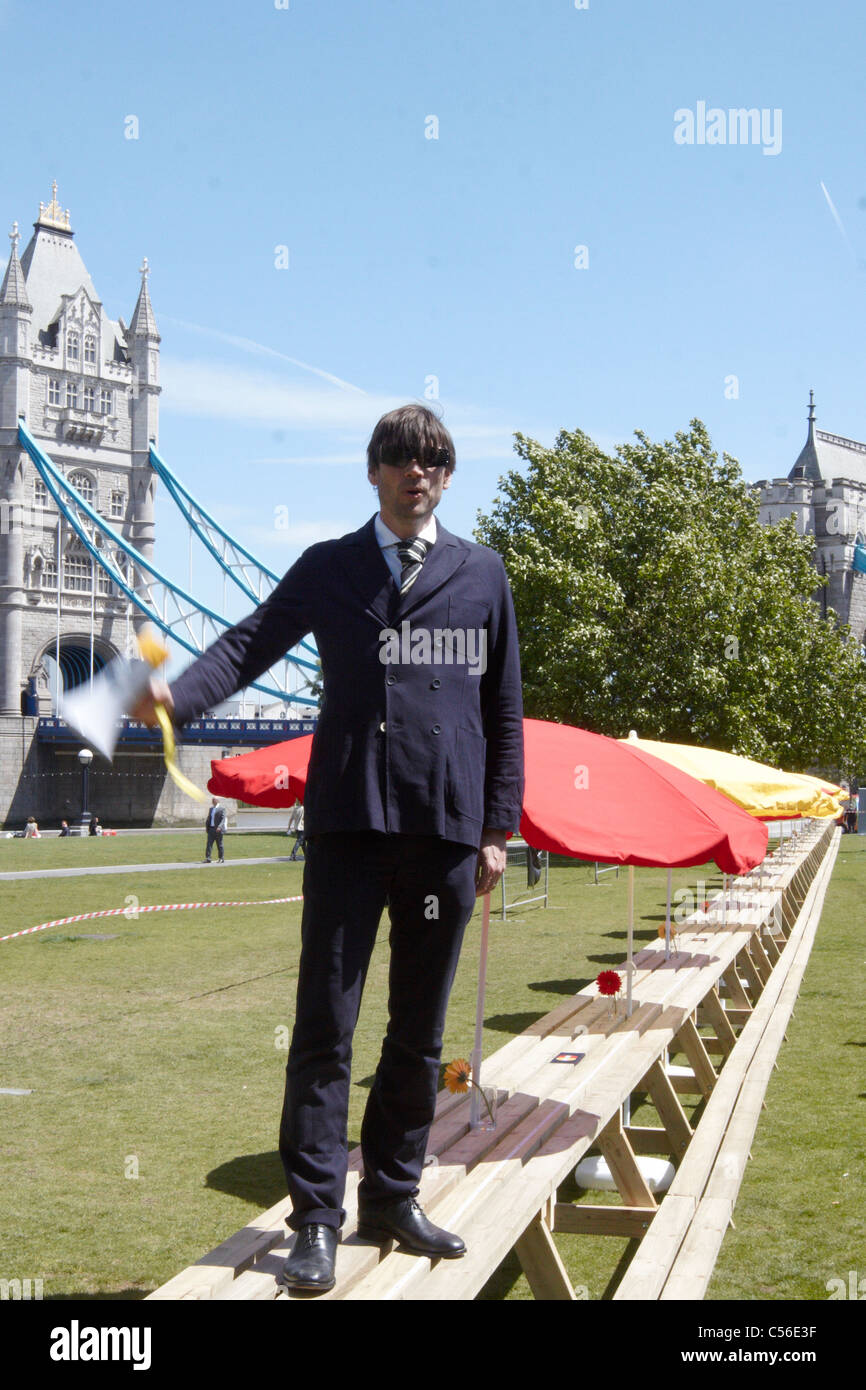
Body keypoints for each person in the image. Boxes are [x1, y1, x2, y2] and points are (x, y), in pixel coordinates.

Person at [131, 404, 524, 1294]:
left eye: (431, 461)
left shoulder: (484, 575)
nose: (415, 473)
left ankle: (392, 1195)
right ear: (374, 473)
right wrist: (174, 701)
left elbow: (503, 707)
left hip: (446, 834)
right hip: (348, 827)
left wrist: (498, 826)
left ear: (448, 477)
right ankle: (315, 1219)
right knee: (324, 1033)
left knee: (418, 1036)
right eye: (398, 459)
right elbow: (244, 646)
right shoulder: (328, 568)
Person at [205, 798, 227, 864]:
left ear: (217, 801)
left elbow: (223, 819)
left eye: (214, 800)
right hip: (211, 829)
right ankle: (208, 858)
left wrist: (219, 827)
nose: (212, 801)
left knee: (219, 844)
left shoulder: (222, 809)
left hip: (218, 830)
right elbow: (209, 818)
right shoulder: (211, 809)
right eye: (212, 800)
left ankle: (221, 858)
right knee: (209, 844)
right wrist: (207, 827)